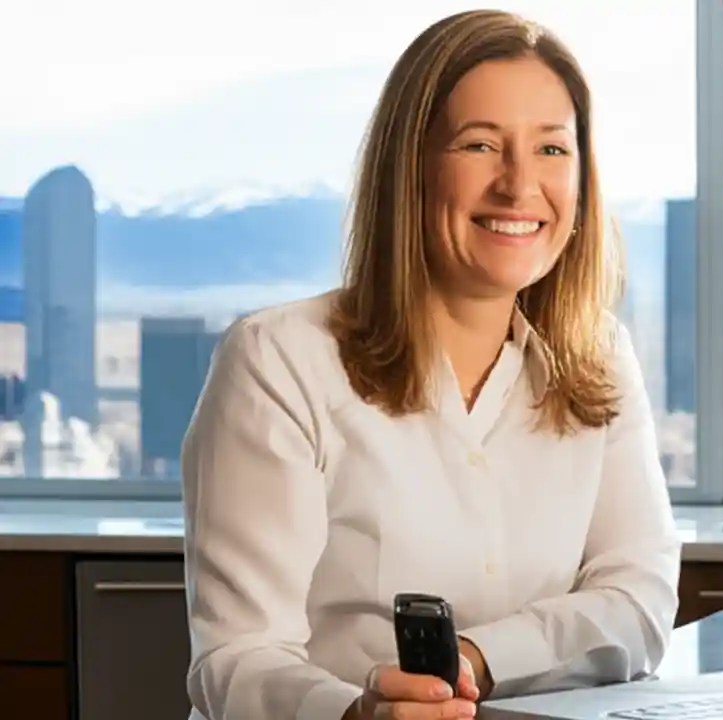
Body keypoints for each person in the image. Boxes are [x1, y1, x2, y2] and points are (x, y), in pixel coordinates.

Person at [180, 9, 682, 720]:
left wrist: (472, 660)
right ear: (410, 169)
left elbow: (638, 601)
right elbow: (238, 657)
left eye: (551, 148)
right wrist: (357, 713)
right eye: (480, 145)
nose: (519, 185)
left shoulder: (598, 355)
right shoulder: (280, 359)